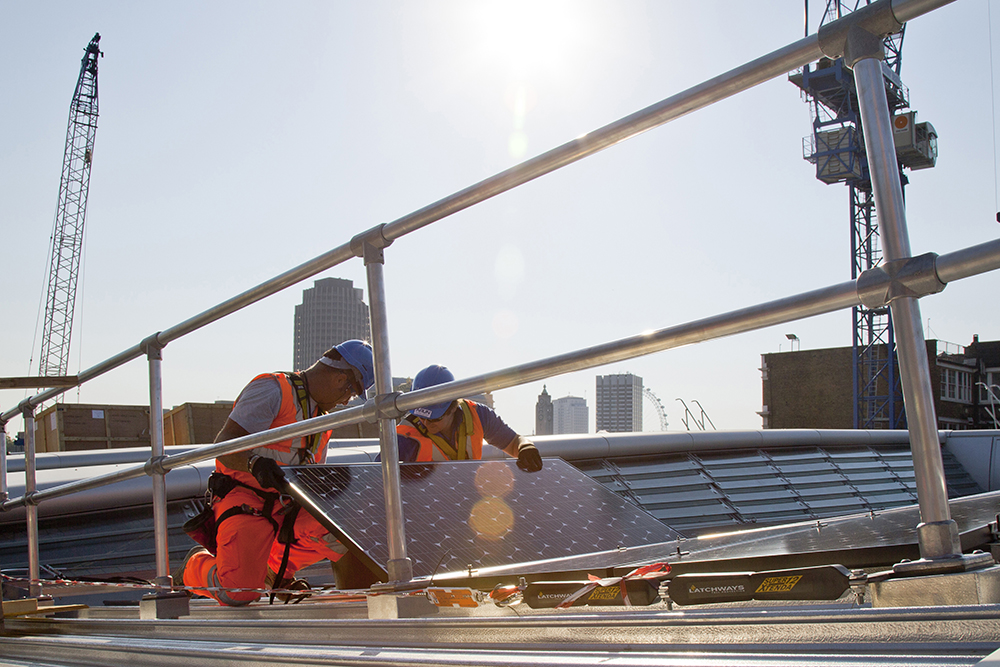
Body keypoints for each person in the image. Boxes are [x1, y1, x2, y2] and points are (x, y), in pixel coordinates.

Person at [175, 339, 375, 606]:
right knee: (239, 593)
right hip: (246, 501)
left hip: (286, 507)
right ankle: (193, 568)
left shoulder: (322, 421)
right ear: (341, 379)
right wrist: (254, 464)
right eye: (350, 393)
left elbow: (309, 475)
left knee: (351, 528)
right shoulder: (273, 389)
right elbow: (224, 447)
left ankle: (272, 572)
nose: (344, 402)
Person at [393, 364, 543, 471]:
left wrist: (525, 447)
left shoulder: (478, 415)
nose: (425, 422)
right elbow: (376, 478)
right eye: (420, 416)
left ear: (452, 408)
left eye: (434, 418)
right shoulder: (404, 437)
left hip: (467, 501)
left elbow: (513, 442)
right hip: (425, 506)